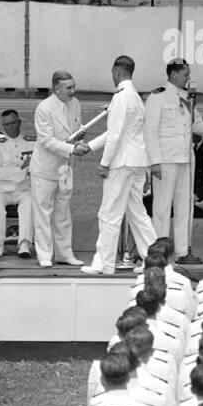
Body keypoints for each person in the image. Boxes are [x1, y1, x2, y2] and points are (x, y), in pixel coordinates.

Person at [83, 56, 157, 277]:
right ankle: (155, 261)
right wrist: (90, 146)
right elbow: (117, 132)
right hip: (136, 162)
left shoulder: (121, 97)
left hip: (122, 162)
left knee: (109, 214)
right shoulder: (134, 97)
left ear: (116, 71)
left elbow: (114, 135)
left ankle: (103, 263)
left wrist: (104, 163)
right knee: (137, 213)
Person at [145, 59, 203, 261]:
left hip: (186, 158)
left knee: (184, 206)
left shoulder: (187, 97)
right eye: (185, 73)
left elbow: (196, 126)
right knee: (162, 206)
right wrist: (153, 161)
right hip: (165, 158)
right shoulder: (158, 96)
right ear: (173, 74)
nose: (188, 77)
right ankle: (158, 251)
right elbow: (150, 131)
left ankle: (182, 251)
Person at [30, 71, 102, 268]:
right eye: (68, 87)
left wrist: (79, 139)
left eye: (73, 86)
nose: (72, 91)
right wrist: (72, 148)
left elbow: (73, 132)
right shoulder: (43, 108)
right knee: (43, 212)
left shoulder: (75, 103)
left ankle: (64, 253)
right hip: (45, 168)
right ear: (56, 89)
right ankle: (44, 255)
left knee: (63, 212)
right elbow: (47, 141)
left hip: (66, 167)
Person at [0, 108, 36, 258]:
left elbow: (35, 167)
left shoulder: (31, 143)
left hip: (23, 189)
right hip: (1, 189)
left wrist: (15, 172)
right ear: (3, 126)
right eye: (6, 124)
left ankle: (24, 244)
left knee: (29, 203)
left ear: (19, 122)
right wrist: (20, 172)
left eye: (13, 123)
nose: (10, 127)